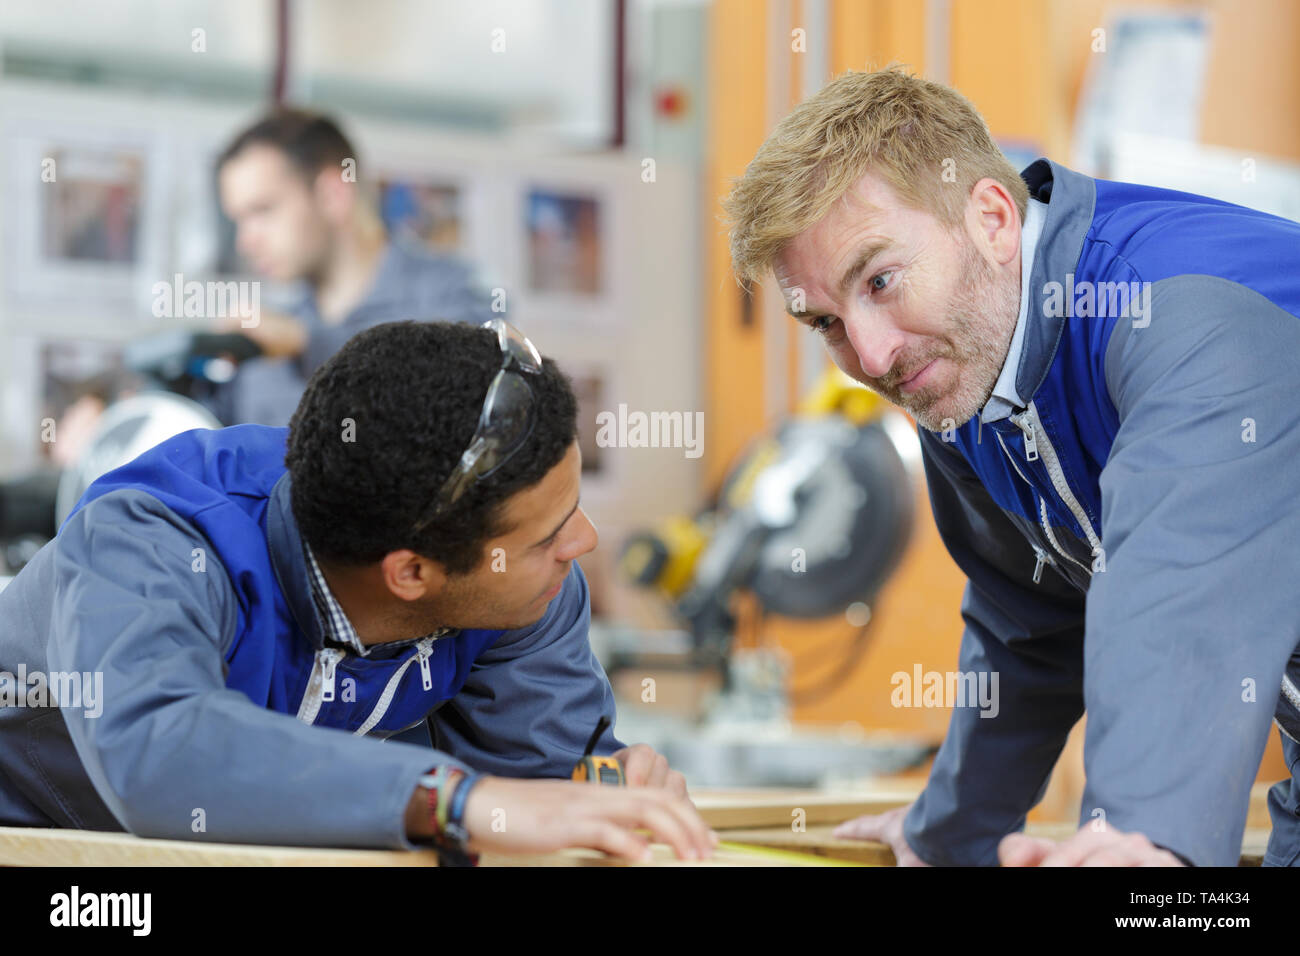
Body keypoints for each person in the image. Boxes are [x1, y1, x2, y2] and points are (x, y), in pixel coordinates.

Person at [722, 67, 1300, 867]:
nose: (871, 354)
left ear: (992, 219)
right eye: (826, 321)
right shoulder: (963, 374)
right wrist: (950, 834)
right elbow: (1028, 625)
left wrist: (1141, 836)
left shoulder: (1175, 309)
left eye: (881, 280)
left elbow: (1185, 585)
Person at [0, 319, 716, 864]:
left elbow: (535, 790)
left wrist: (601, 785)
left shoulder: (514, 585)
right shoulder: (154, 541)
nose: (583, 542)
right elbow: (159, 750)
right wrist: (453, 797)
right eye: (547, 535)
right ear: (409, 574)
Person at [212, 108, 498, 425]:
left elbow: (456, 393)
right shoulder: (266, 348)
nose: (245, 241)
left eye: (263, 211)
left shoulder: (454, 294)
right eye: (239, 220)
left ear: (333, 194)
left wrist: (308, 344)